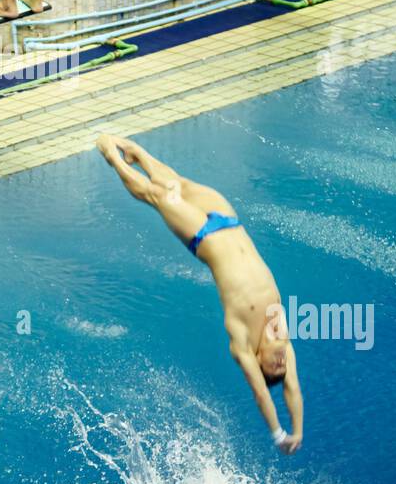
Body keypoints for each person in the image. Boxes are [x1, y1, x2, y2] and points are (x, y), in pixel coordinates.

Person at [96, 133, 304, 453]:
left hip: (204, 237)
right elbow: (293, 390)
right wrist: (298, 430)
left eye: (273, 367)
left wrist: (279, 434)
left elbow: (262, 393)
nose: (280, 362)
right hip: (230, 221)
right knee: (176, 182)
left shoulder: (243, 344)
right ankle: (137, 152)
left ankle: (113, 158)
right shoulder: (281, 333)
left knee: (158, 196)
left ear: (259, 363)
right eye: (282, 366)